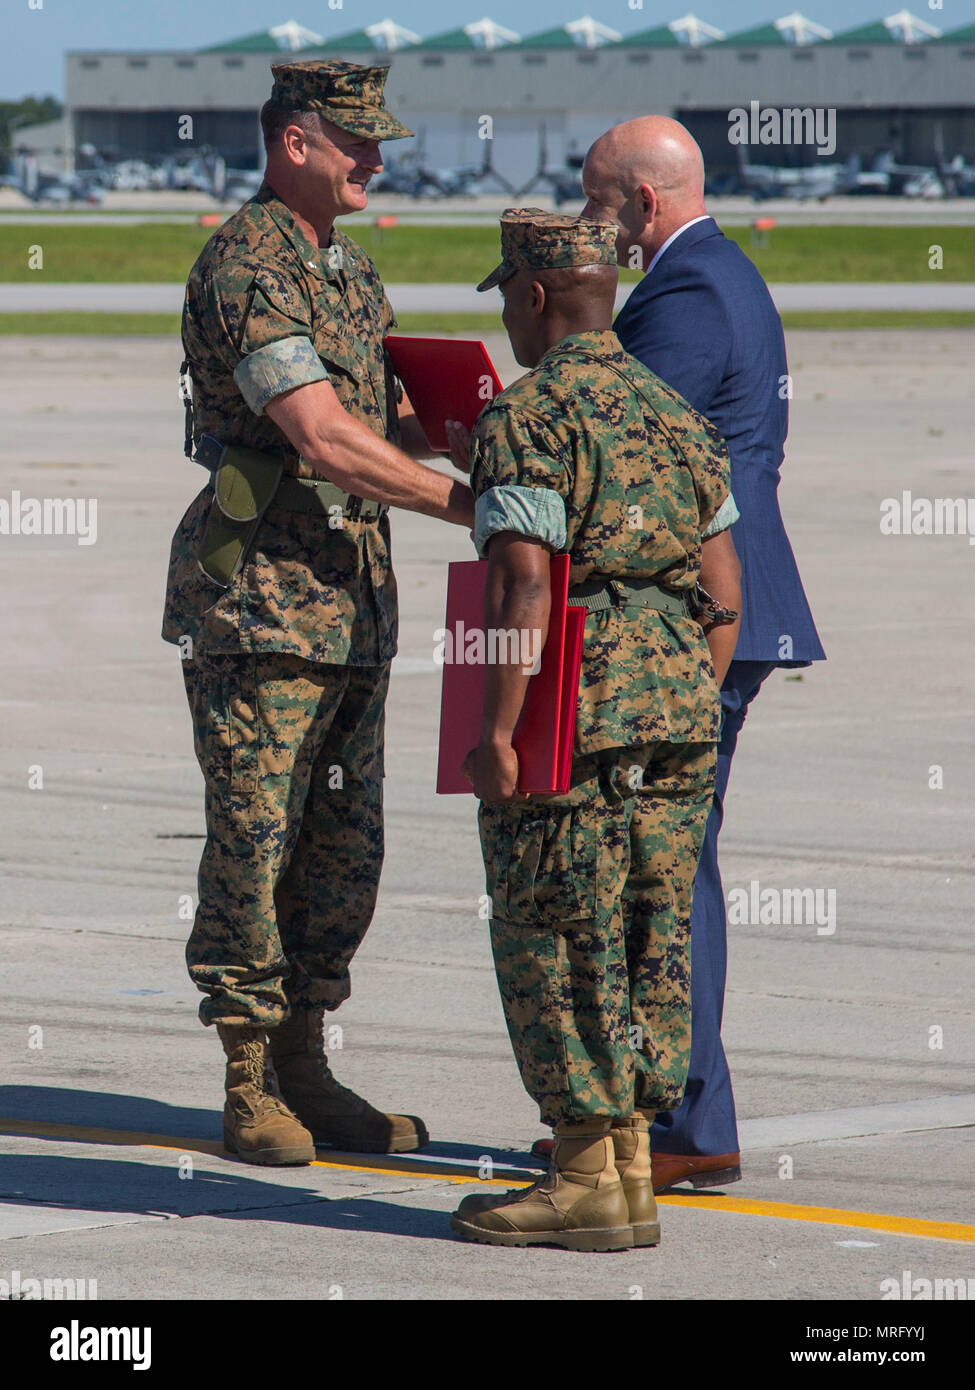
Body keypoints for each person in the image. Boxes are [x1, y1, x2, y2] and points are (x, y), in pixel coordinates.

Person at [162, 59, 474, 1166]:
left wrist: (493, 426)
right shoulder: (250, 263)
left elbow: (383, 412)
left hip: (348, 604)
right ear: (295, 143)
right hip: (261, 605)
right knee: (256, 839)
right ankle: (249, 1073)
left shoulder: (344, 267)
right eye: (358, 144)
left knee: (342, 848)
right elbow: (324, 434)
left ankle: (307, 1055)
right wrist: (476, 504)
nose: (378, 162)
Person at [445, 209, 741, 1250]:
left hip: (579, 709)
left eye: (509, 302)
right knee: (650, 933)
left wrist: (496, 734)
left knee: (558, 930)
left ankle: (580, 1174)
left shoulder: (529, 414)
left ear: (532, 299)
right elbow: (726, 590)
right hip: (677, 712)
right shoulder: (677, 414)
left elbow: (525, 583)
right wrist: (685, 699)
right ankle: (627, 1171)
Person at [580, 116, 826, 1192]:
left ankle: (683, 1118)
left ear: (642, 200)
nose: (591, 222)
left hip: (703, 616)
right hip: (731, 606)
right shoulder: (725, 271)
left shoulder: (685, 292)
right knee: (680, 861)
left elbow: (624, 443)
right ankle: (688, 1113)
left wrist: (497, 433)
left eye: (595, 200)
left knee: (666, 866)